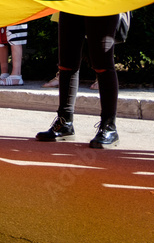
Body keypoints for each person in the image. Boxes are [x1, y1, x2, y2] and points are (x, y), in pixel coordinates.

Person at [36, 12, 121, 148]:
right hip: (72, 0)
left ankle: (109, 126)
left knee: (102, 64)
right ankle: (65, 123)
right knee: (66, 65)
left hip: (102, 0)